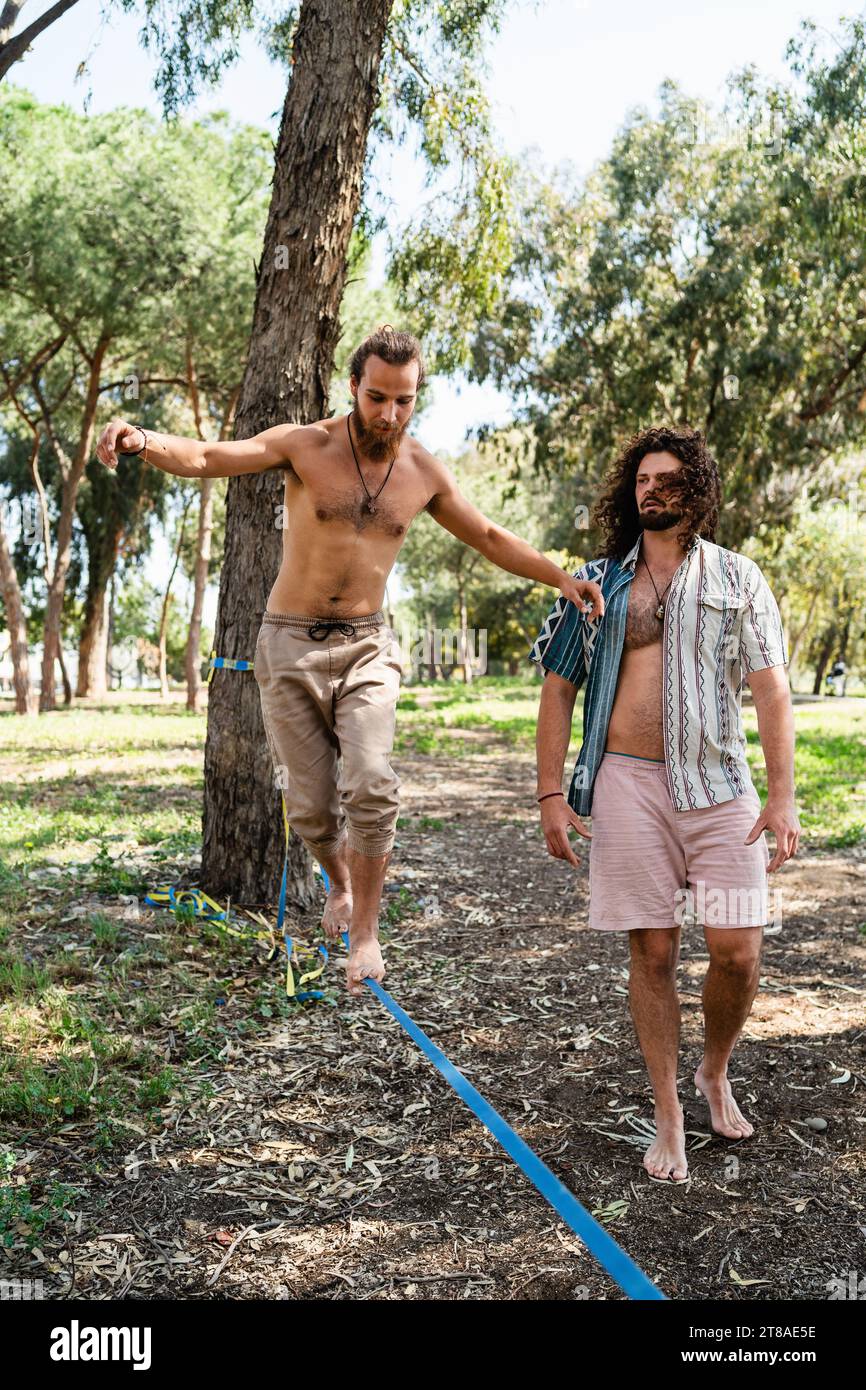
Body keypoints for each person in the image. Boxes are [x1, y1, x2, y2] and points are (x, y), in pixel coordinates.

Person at [96, 326, 604, 997]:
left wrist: (559, 577)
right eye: (377, 398)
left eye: (404, 401)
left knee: (370, 780)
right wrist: (145, 440)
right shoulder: (305, 445)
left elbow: (486, 533)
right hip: (288, 642)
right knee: (309, 809)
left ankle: (365, 932)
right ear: (353, 389)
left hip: (367, 644)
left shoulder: (422, 472)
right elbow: (211, 455)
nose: (390, 414)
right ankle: (337, 883)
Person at [531, 426, 799, 1183]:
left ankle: (715, 1068)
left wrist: (782, 797)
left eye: (669, 479)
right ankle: (669, 1112)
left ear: (698, 492)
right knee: (651, 953)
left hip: (719, 792)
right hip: (627, 788)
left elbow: (772, 689)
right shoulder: (595, 582)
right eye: (643, 479)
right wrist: (552, 792)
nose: (652, 488)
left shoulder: (739, 578)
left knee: (737, 950)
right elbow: (558, 689)